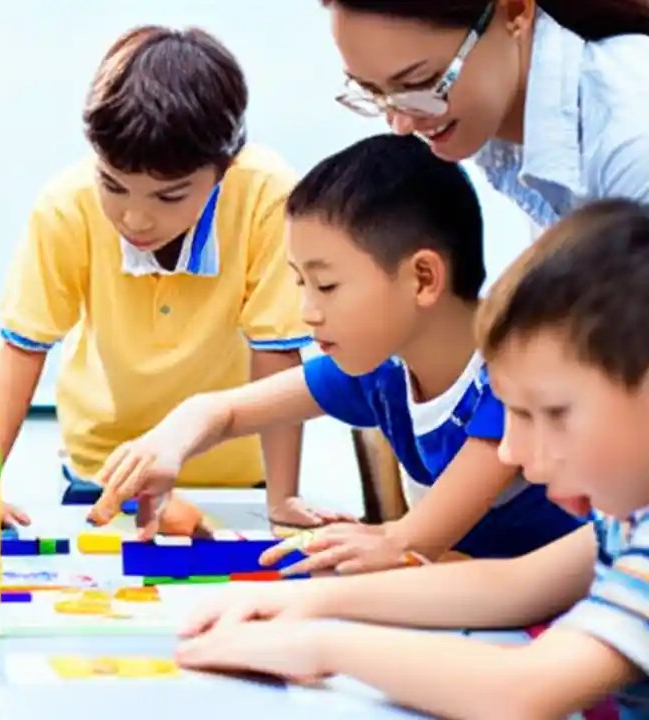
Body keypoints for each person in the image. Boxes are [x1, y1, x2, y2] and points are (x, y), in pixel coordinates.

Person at [172, 200, 649, 719]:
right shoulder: (625, 521)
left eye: (553, 413)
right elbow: (514, 585)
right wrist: (308, 603)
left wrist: (323, 647)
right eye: (516, 414)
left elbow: (521, 691)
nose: (512, 451)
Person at [90, 134, 579, 573]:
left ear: (423, 278)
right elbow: (225, 410)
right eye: (301, 283)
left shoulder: (511, 381)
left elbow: (410, 546)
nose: (308, 312)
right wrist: (168, 444)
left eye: (326, 285)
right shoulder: (384, 372)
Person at [0, 25, 348, 533]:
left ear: (224, 168)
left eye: (168, 197)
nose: (135, 219)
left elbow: (277, 354)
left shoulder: (270, 200)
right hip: (105, 471)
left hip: (236, 478)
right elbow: (21, 351)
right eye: (113, 185)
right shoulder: (65, 207)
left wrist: (283, 498)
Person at [323, 0, 649, 226]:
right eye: (372, 92)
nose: (402, 124)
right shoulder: (503, 125)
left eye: (422, 83)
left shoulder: (630, 139)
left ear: (516, 10)